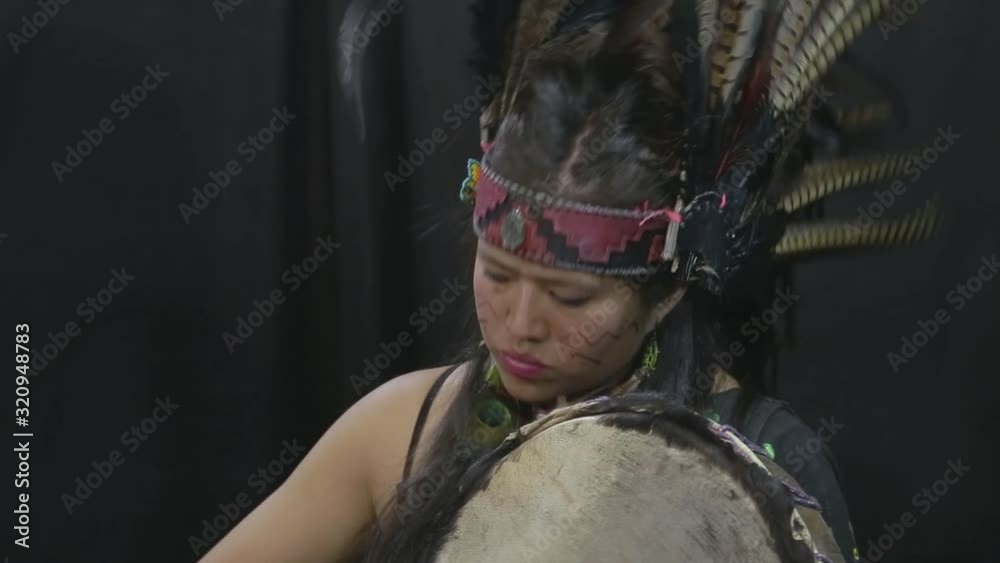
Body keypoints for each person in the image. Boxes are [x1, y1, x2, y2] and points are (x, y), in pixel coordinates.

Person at [201, 1, 941, 562]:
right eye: (498, 273)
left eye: (571, 296)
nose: (521, 323)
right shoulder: (400, 429)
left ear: (668, 293)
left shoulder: (769, 466)